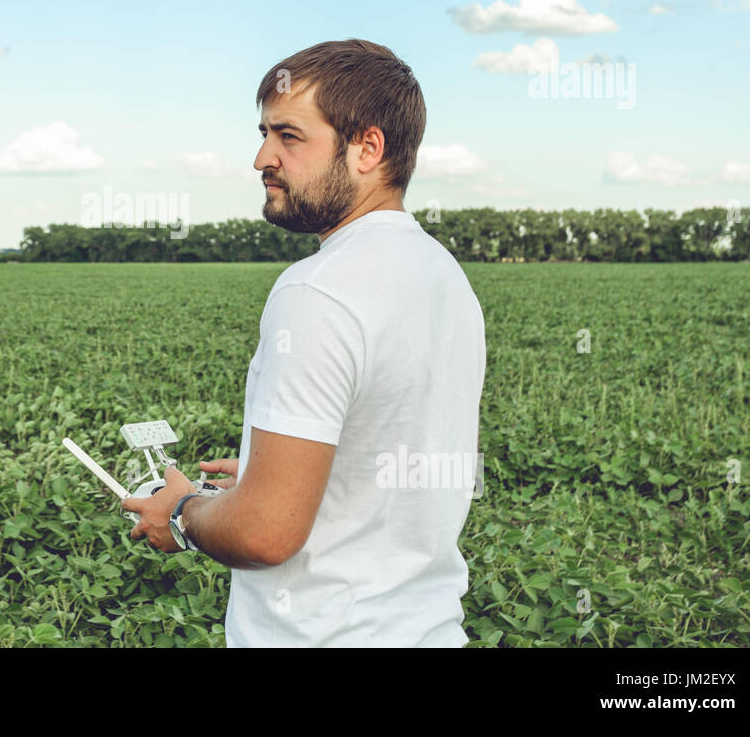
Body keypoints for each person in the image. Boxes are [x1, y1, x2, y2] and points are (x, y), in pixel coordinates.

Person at [123, 38, 487, 647]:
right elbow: (390, 456)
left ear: (367, 148)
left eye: (289, 136)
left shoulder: (317, 292)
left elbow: (266, 534)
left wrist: (184, 511)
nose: (262, 157)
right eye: (264, 133)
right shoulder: (442, 274)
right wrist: (278, 477)